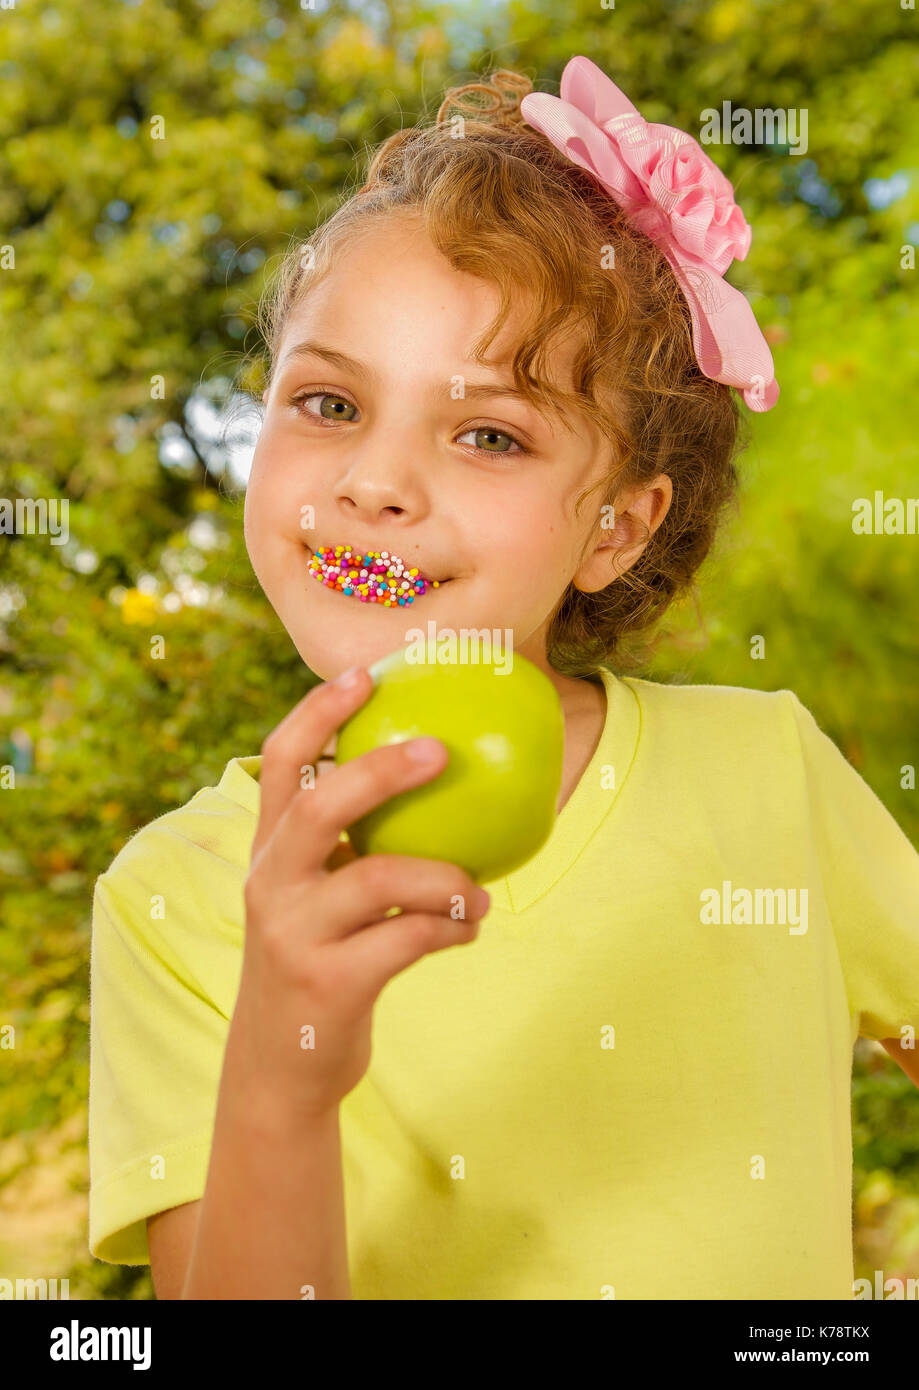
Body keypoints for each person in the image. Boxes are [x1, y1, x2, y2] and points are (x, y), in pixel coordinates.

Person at [87, 56, 919, 1300]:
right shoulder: (181, 897)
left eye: (487, 432)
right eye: (325, 401)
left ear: (616, 527)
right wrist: (282, 1066)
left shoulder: (768, 770)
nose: (374, 482)